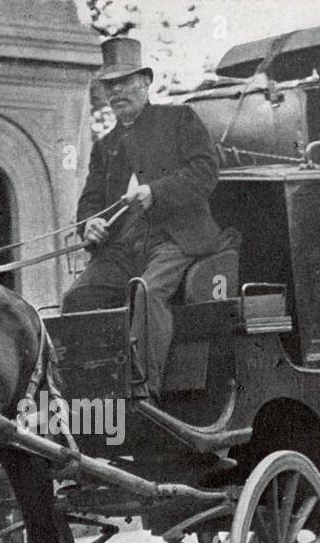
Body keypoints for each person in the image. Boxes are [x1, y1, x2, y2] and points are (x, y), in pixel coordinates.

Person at [62, 36, 223, 400]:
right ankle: (85, 391)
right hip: (122, 246)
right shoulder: (106, 146)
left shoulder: (179, 119)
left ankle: (142, 392)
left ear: (146, 81)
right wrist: (89, 224)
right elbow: (90, 201)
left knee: (147, 293)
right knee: (78, 297)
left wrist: (157, 192)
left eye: (125, 82)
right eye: (110, 85)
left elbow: (205, 172)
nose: (117, 92)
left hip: (176, 238)